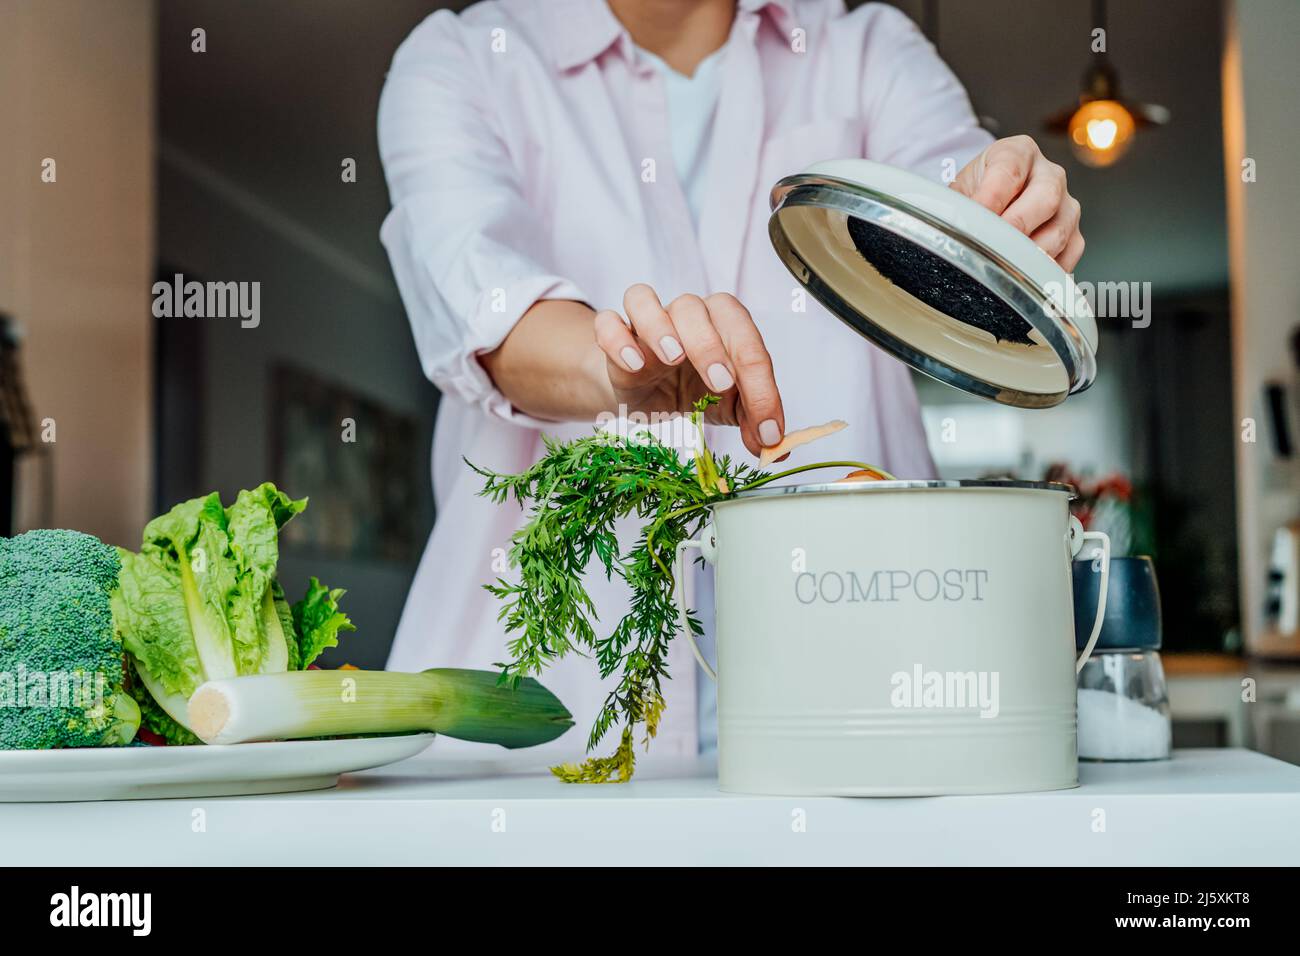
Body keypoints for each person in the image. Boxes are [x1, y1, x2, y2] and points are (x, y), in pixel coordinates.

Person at [377, 0, 1084, 760]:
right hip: (549, 725)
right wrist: (619, 368)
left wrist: (1002, 208)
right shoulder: (467, 58)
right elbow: (488, 313)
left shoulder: (864, 52)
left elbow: (953, 194)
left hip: (866, 710)